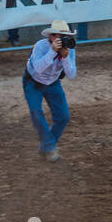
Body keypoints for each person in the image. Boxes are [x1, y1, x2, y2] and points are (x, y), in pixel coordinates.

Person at [23, 19, 78, 162]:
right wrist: (52, 52)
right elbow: (38, 68)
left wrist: (65, 58)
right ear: (51, 36)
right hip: (33, 81)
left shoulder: (69, 49)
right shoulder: (41, 46)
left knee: (63, 116)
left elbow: (71, 75)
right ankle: (49, 147)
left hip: (52, 82)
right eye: (61, 36)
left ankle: (47, 146)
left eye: (67, 36)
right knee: (36, 112)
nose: (65, 39)